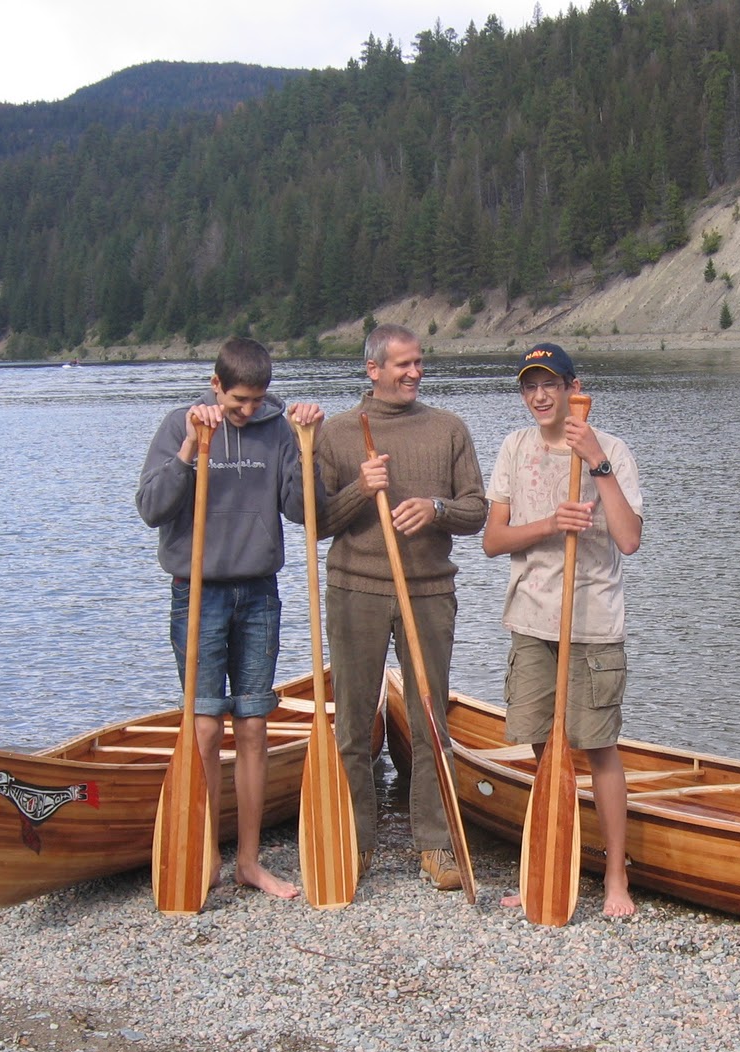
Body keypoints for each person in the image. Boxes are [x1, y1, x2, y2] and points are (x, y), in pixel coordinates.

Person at [135, 335, 325, 900]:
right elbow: (151, 508)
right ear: (216, 385)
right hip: (197, 594)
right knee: (203, 725)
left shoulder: (278, 427)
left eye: (257, 400)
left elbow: (298, 509)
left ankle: (249, 860)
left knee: (253, 726)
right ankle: (202, 855)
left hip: (259, 593)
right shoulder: (179, 424)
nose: (248, 411)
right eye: (239, 400)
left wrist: (307, 443)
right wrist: (192, 448)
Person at [314, 324, 487, 890]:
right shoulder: (338, 434)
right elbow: (316, 523)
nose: (414, 373)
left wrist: (435, 508)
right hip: (355, 590)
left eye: (418, 363)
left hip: (429, 591)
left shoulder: (448, 429)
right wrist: (360, 489)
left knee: (430, 720)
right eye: (402, 365)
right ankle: (355, 839)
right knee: (352, 721)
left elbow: (477, 511)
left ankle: (435, 844)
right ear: (373, 370)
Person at [481, 343, 643, 917]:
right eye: (530, 386)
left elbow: (628, 539)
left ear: (575, 389)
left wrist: (595, 459)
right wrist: (552, 523)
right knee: (541, 745)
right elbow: (492, 540)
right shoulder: (514, 448)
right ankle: (550, 863)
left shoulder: (613, 451)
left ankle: (617, 879)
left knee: (597, 746)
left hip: (593, 622)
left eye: (551, 384)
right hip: (532, 619)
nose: (540, 396)